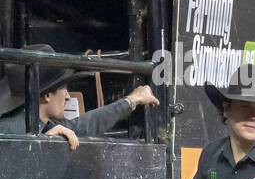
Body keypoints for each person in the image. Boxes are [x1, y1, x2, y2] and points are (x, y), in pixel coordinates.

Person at [0, 44, 158, 141]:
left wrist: (130, 100)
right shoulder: (10, 131)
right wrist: (41, 146)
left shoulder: (42, 124)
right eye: (64, 88)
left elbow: (83, 126)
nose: (68, 96)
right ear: (47, 96)